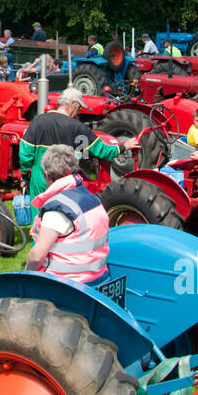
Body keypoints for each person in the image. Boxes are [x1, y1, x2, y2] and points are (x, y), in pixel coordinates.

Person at [18, 87, 138, 198]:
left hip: (40, 178)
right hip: (64, 182)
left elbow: (25, 152)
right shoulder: (78, 127)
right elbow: (103, 151)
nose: (78, 112)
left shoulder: (39, 121)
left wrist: (24, 175)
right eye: (79, 108)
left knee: (38, 215)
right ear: (71, 104)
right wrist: (123, 146)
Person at [25, 145, 111, 287]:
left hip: (67, 285)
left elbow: (36, 257)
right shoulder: (93, 199)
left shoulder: (58, 209)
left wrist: (25, 275)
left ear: (46, 175)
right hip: (99, 276)